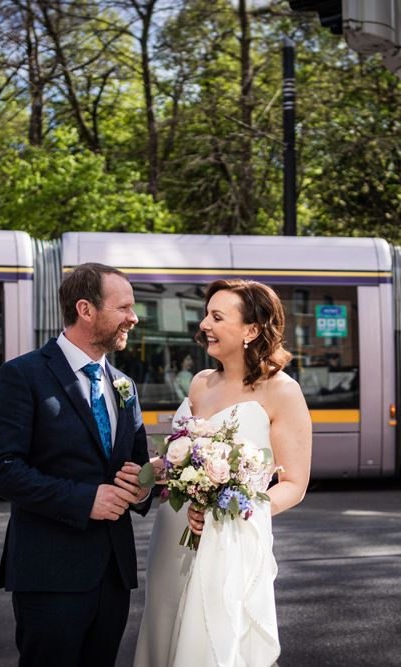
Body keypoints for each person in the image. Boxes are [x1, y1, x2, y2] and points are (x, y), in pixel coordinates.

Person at [134, 279, 312, 667]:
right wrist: (146, 475)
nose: (204, 325)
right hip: (173, 534)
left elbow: (294, 484)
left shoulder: (282, 391)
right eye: (205, 315)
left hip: (229, 540)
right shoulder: (200, 383)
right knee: (164, 623)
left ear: (251, 330)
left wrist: (233, 512)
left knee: (212, 638)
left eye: (217, 317)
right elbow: (181, 461)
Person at [0, 262, 153, 667]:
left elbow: (139, 465)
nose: (133, 318)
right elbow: (0, 467)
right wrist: (84, 500)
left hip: (113, 576)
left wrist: (143, 488)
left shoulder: (124, 384)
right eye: (123, 307)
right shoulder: (22, 375)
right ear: (85, 310)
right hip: (50, 575)